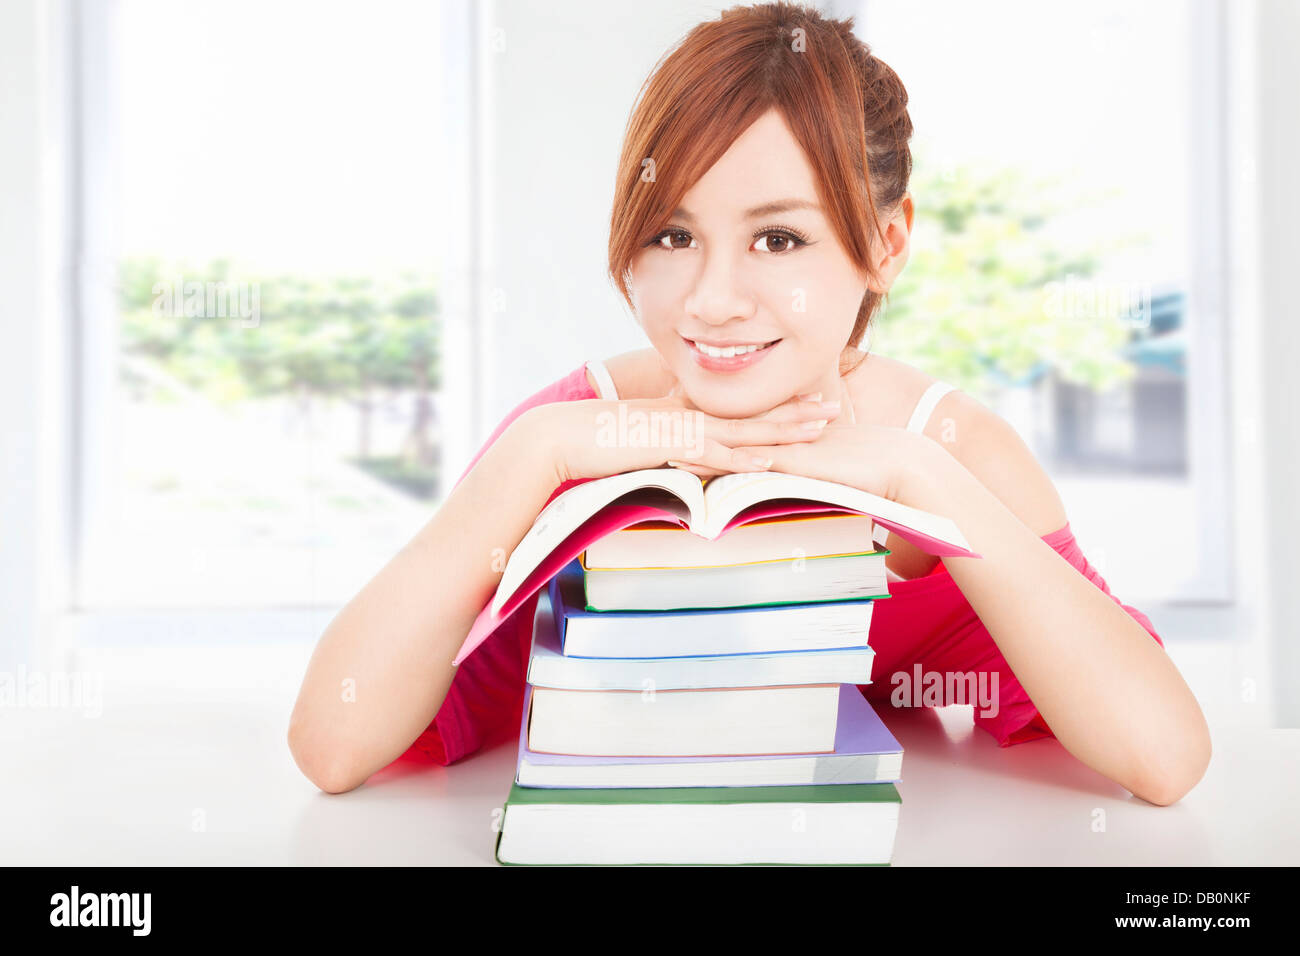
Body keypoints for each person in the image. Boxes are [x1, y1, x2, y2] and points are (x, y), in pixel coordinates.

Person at [288, 1, 1210, 805]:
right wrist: (531, 457)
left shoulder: (954, 450)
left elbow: (1164, 756)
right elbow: (334, 743)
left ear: (885, 242)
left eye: (777, 238)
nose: (712, 299)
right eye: (673, 233)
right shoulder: (571, 428)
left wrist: (914, 475)